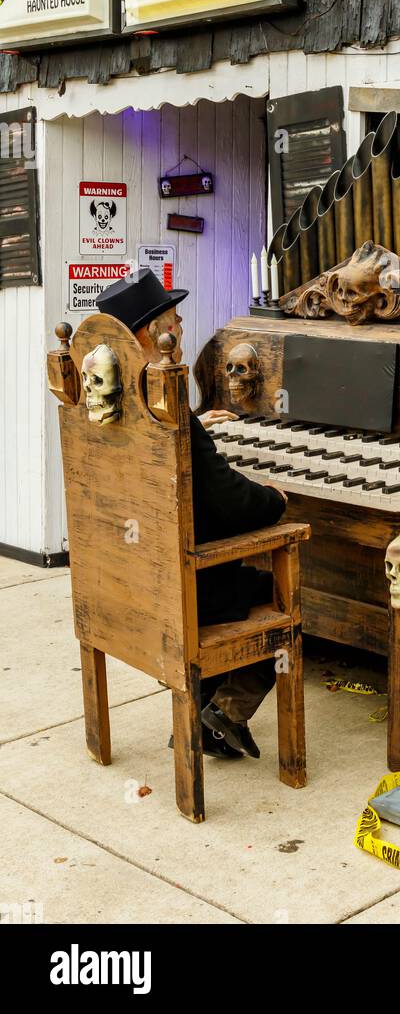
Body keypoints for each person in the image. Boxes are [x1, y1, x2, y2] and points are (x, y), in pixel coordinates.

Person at [96, 267, 287, 761]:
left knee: (228, 578)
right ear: (150, 334)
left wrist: (197, 423)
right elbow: (229, 500)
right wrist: (275, 500)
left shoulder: (109, 406)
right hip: (182, 593)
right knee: (278, 592)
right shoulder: (170, 406)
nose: (180, 329)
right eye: (174, 320)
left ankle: (201, 720)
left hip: (126, 582)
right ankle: (225, 712)